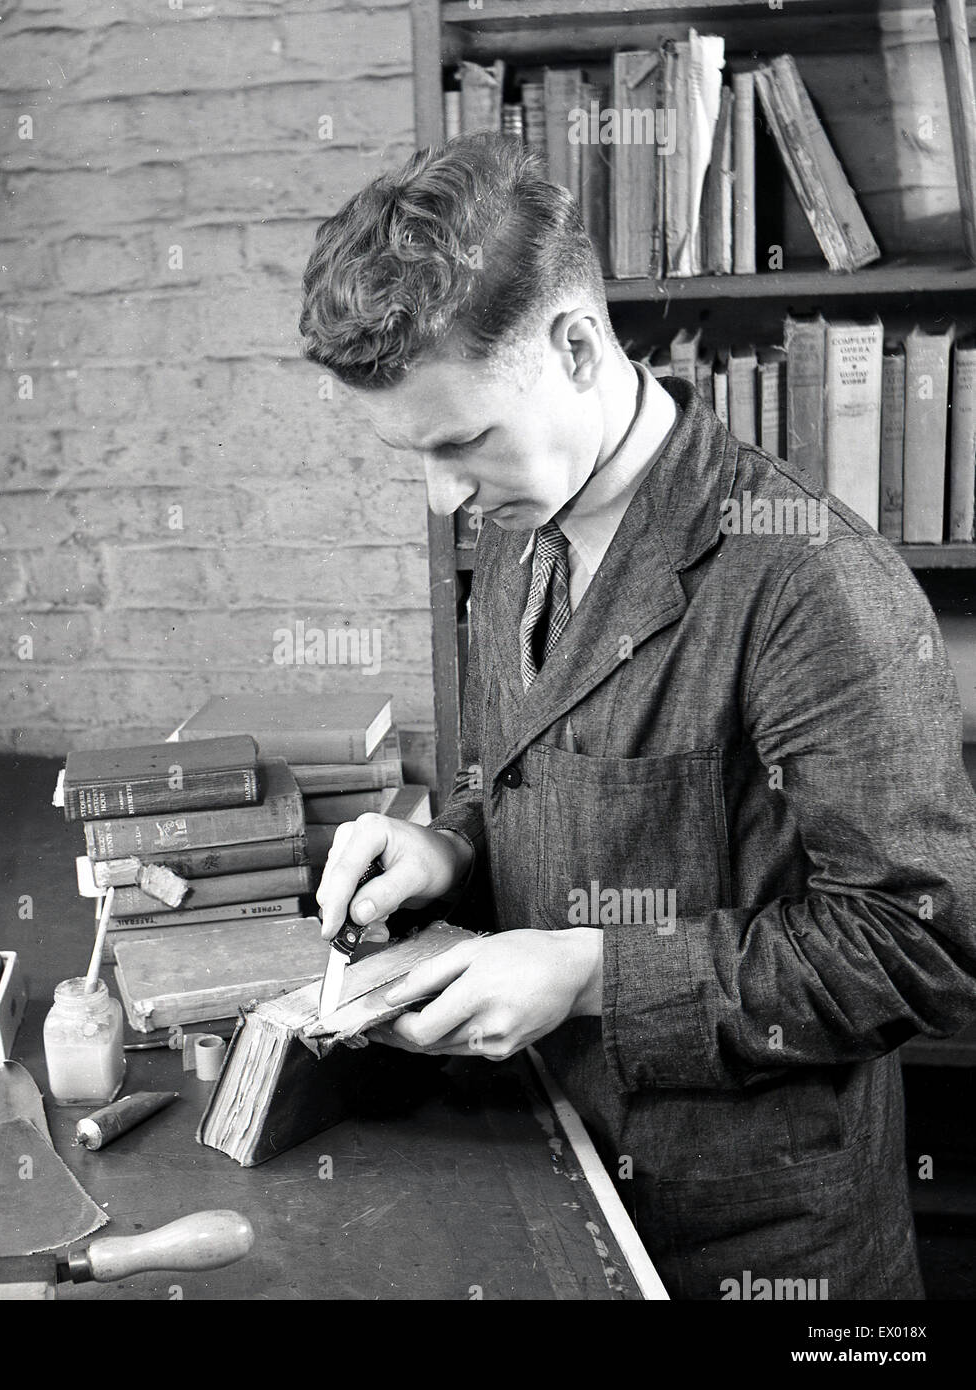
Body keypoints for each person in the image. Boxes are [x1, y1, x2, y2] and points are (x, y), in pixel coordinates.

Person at [300, 132, 976, 1301]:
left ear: (573, 344)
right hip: (555, 1171)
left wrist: (597, 969)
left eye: (460, 441)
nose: (443, 494)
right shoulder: (518, 528)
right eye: (412, 455)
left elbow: (925, 946)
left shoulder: (812, 581)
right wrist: (450, 847)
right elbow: (561, 772)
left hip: (760, 1247)